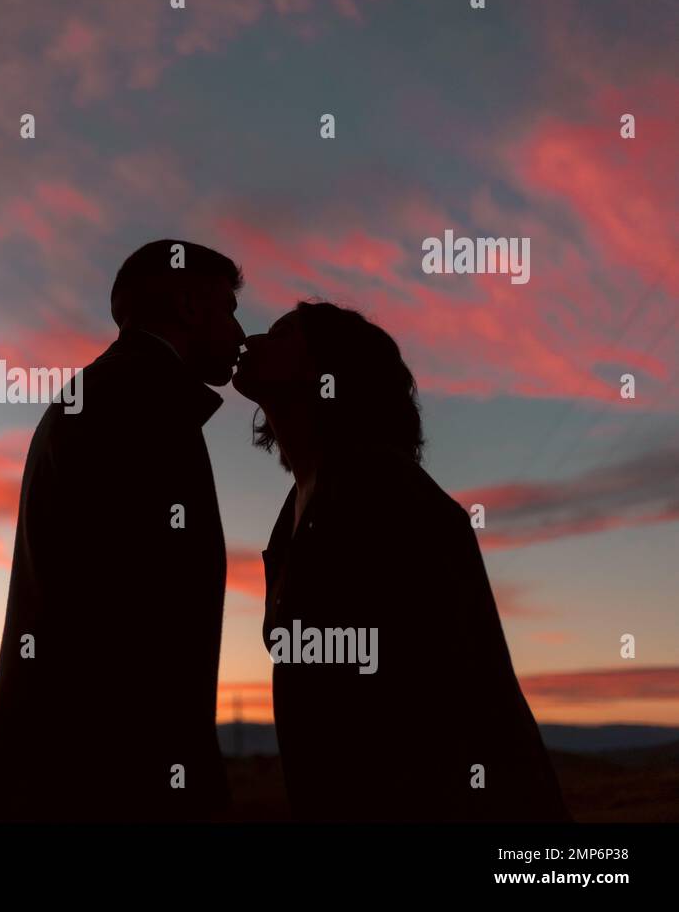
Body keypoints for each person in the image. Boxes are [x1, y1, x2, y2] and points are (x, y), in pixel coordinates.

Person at [0, 239, 247, 821]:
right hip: (95, 783)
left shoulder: (113, 392)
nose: (239, 336)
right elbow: (138, 618)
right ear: (188, 304)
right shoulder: (138, 398)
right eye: (228, 310)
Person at [232, 300, 569, 821]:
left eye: (281, 333)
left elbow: (468, 698)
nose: (253, 338)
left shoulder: (389, 494)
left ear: (327, 369)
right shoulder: (291, 518)